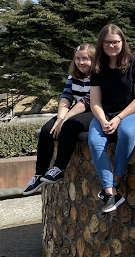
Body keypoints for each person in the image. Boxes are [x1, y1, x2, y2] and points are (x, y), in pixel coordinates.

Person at [87, 25, 135, 214]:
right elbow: (95, 103)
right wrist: (102, 120)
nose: (111, 45)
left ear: (122, 42)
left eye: (115, 41)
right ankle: (111, 192)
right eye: (107, 42)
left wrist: (118, 118)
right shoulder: (97, 67)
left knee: (126, 131)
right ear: (101, 43)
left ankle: (114, 181)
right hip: (105, 115)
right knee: (94, 140)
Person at [22, 43, 96, 195]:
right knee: (47, 130)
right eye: (77, 59)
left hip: (94, 111)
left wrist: (64, 120)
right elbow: (66, 98)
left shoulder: (99, 77)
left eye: (85, 59)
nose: (81, 62)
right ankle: (39, 174)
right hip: (76, 111)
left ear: (93, 59)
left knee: (69, 126)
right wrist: (60, 118)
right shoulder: (72, 77)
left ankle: (58, 168)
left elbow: (86, 102)